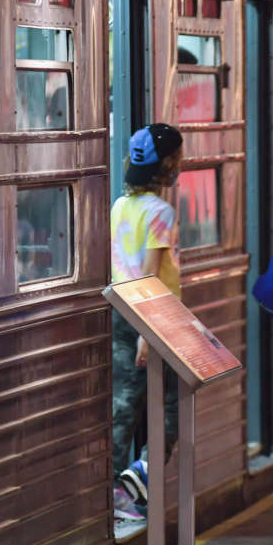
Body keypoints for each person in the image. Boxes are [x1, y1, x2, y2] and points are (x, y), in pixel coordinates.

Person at [110, 123, 184, 521]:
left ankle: (118, 491)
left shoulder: (121, 206)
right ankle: (139, 475)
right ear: (170, 165)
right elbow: (150, 273)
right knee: (173, 406)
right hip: (153, 318)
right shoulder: (161, 212)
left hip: (121, 311)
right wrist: (147, 330)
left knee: (123, 407)